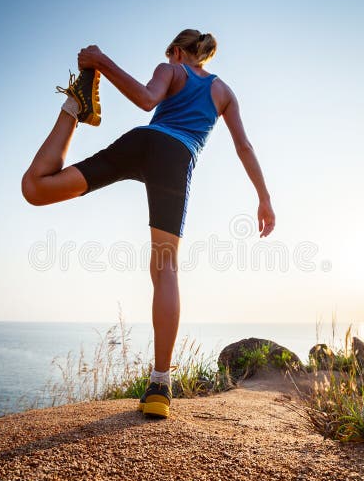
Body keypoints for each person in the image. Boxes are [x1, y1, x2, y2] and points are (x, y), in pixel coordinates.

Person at [21, 29, 275, 418]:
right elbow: (244, 146)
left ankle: (75, 106)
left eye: (171, 56)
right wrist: (264, 197)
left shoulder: (171, 69)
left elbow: (146, 99)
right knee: (165, 267)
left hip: (142, 142)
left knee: (36, 188)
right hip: (175, 160)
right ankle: (160, 385)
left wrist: (100, 62)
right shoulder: (224, 92)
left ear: (177, 52)